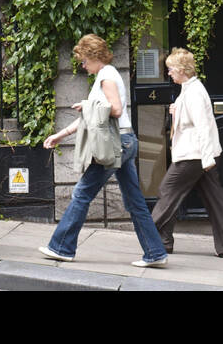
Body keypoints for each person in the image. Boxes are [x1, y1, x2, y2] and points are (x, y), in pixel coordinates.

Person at [39, 34, 169, 268]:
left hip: (116, 142)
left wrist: (88, 105)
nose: (82, 66)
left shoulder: (106, 76)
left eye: (83, 60)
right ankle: (155, 252)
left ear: (93, 56)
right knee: (135, 202)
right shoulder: (104, 75)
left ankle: (62, 247)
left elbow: (116, 110)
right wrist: (60, 136)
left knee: (82, 193)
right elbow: (90, 117)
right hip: (124, 140)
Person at [150, 47, 223, 258]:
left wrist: (207, 158)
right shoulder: (190, 88)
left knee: (168, 190)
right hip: (200, 154)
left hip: (194, 155)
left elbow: (202, 126)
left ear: (182, 69)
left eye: (171, 69)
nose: (169, 73)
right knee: (216, 199)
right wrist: (177, 111)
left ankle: (150, 235)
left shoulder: (193, 92)